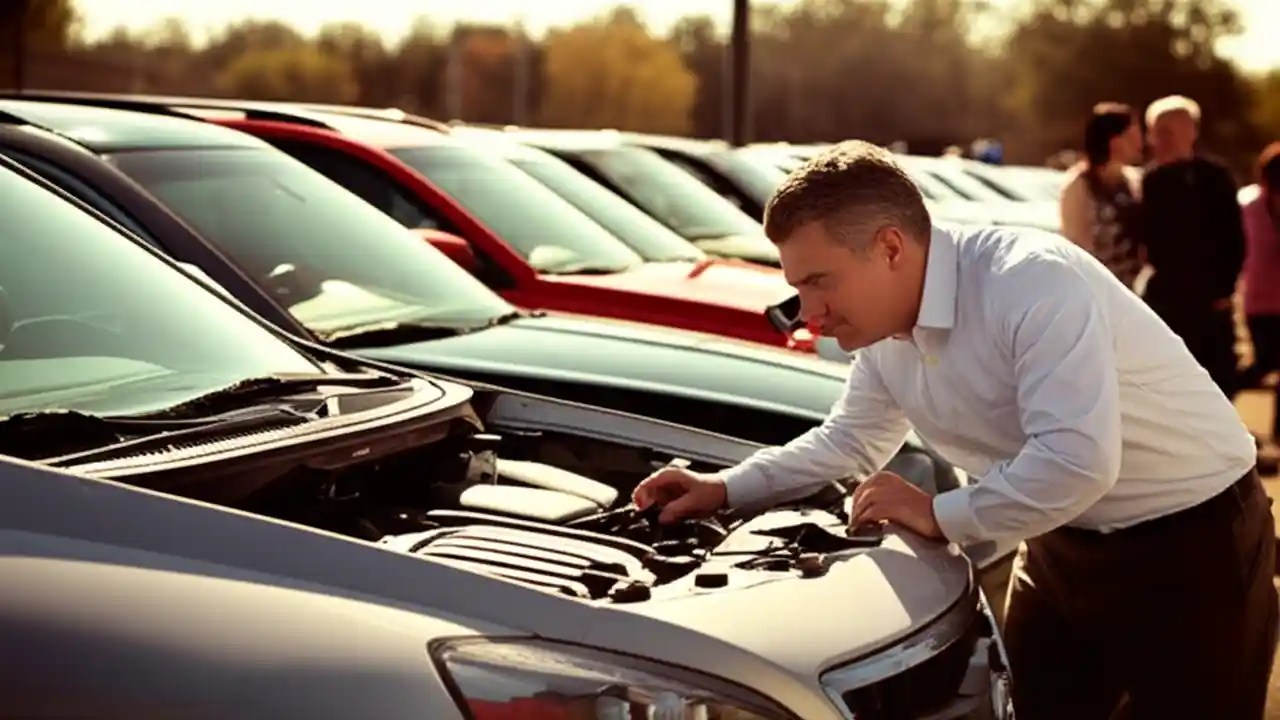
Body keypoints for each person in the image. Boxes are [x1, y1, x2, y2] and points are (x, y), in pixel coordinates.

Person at [631, 140, 1277, 720]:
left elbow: (1078, 461)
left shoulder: (1031, 282)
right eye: (799, 288)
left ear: (890, 247)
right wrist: (722, 488)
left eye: (819, 283)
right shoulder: (883, 329)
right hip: (1060, 546)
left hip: (1197, 551)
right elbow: (850, 441)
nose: (812, 315)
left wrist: (938, 513)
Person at [1139, 95, 1247, 398]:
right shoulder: (1151, 181)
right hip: (1170, 301)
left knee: (1218, 384)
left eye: (1169, 132)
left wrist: (1224, 290)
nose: (1161, 140)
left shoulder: (1216, 178)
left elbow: (1234, 238)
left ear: (1191, 132)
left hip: (1212, 301)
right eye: (1156, 132)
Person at [1059, 102, 1146, 290]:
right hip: (1096, 288)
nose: (1140, 143)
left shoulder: (1133, 181)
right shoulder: (1079, 186)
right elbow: (1076, 245)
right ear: (1115, 141)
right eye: (1132, 136)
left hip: (1131, 291)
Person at [1240, 143, 1280, 442]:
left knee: (1270, 364)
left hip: (1258, 300)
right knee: (1265, 362)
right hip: (1262, 302)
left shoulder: (1248, 204)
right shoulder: (1250, 207)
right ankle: (1225, 385)